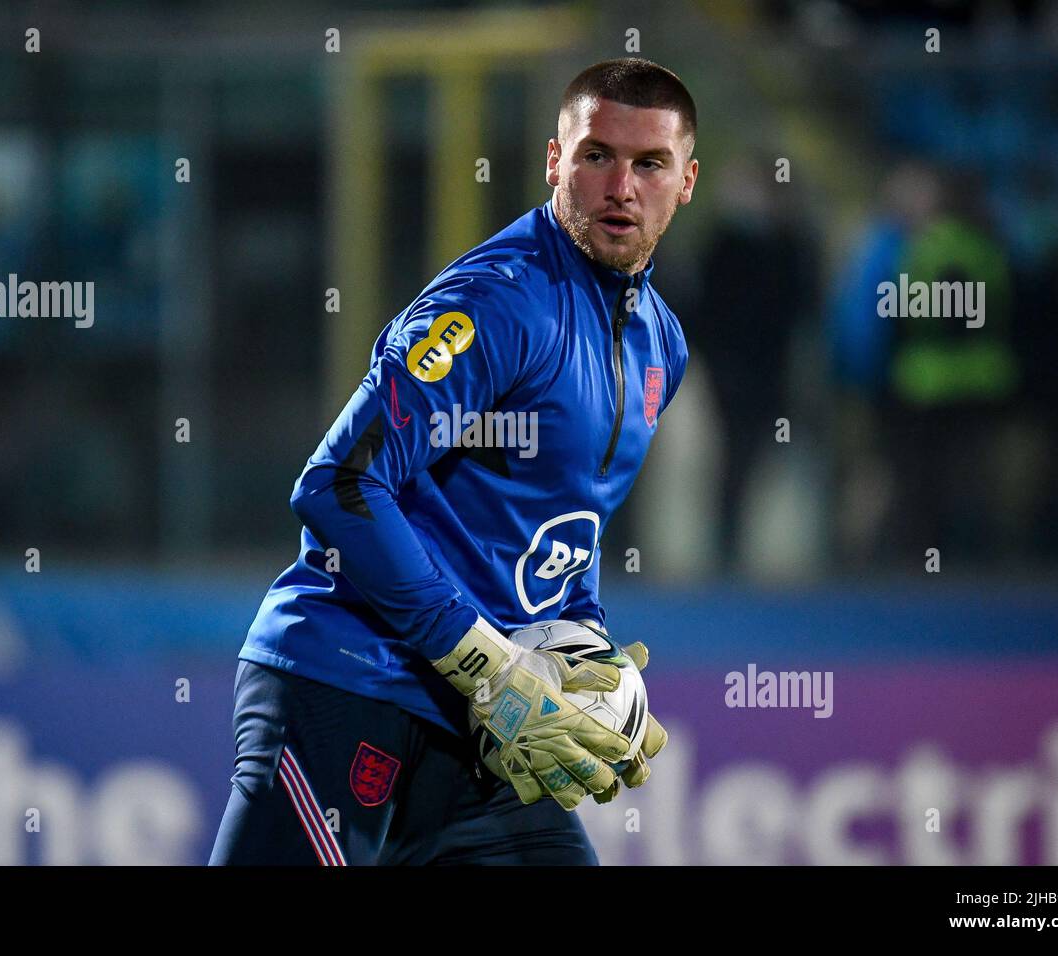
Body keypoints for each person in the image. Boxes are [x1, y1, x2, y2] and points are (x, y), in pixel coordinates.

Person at [209, 57, 697, 865]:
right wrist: (483, 657)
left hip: (481, 727)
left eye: (650, 163)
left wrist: (583, 642)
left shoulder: (662, 345)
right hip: (348, 681)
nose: (621, 186)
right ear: (554, 161)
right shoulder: (495, 302)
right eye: (596, 155)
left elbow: (565, 525)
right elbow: (338, 485)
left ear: (685, 182)